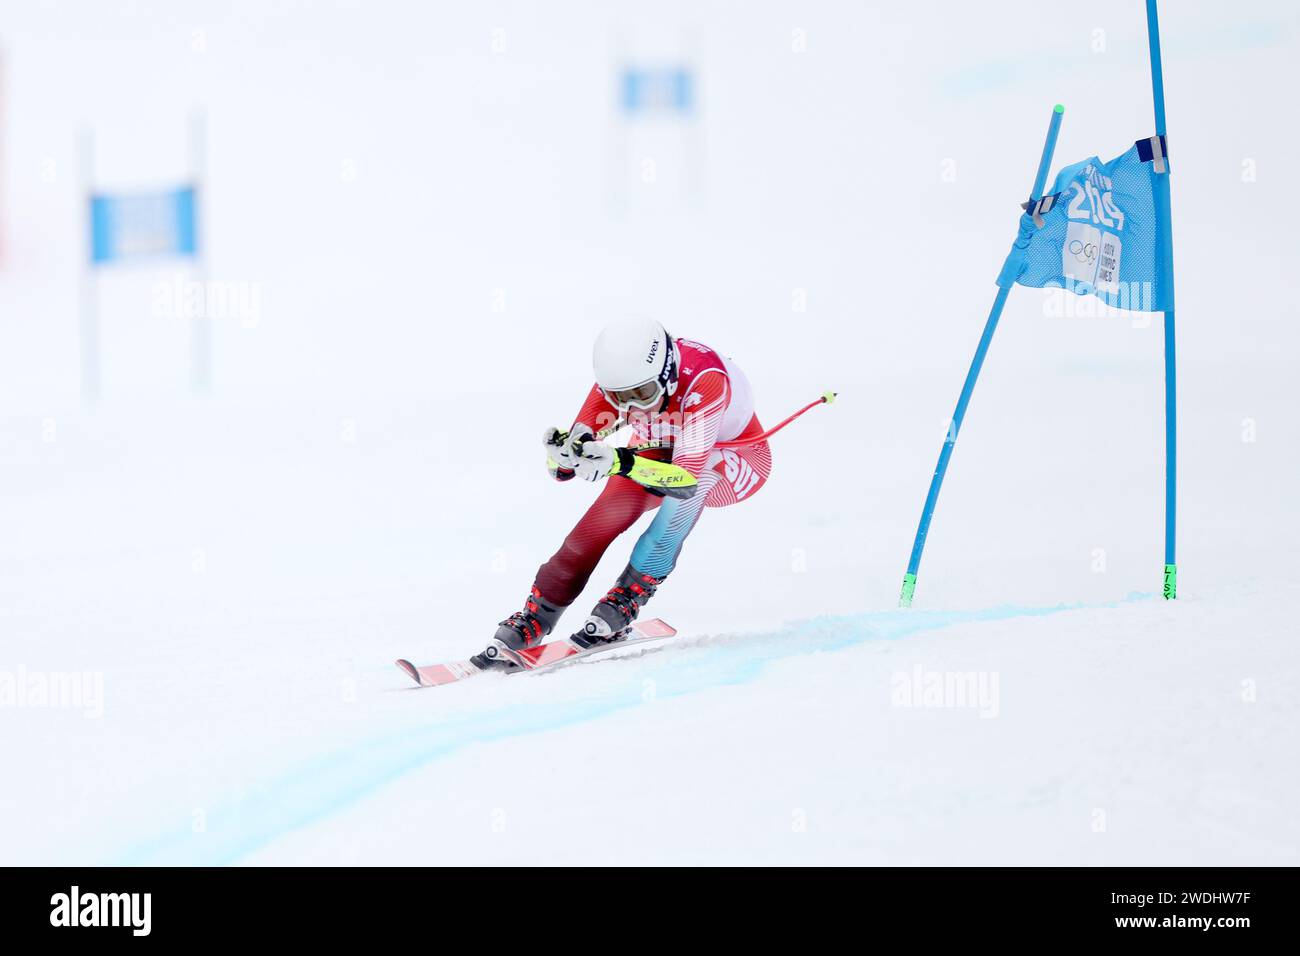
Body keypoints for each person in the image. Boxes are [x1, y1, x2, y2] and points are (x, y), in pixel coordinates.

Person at [475, 316, 772, 668]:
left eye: (642, 394)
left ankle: (626, 596)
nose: (633, 407)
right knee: (600, 521)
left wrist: (621, 462)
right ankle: (538, 613)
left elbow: (684, 481)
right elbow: (565, 471)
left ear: (667, 374)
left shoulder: (705, 382)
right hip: (661, 449)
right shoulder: (619, 381)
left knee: (684, 499)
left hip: (730, 459)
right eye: (620, 398)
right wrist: (563, 457)